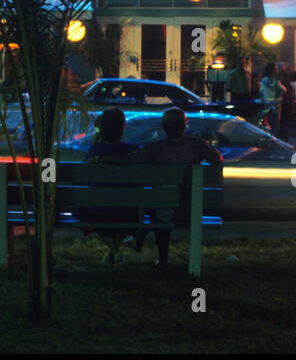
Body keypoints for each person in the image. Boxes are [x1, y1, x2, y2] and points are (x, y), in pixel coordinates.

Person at [122, 107, 223, 269]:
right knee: (166, 204)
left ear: (163, 126)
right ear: (185, 125)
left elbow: (129, 160)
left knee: (157, 204)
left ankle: (159, 256)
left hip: (163, 208)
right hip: (190, 207)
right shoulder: (196, 145)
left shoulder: (155, 148)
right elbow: (217, 159)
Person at [80, 107, 140, 266]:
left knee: (89, 206)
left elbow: (82, 177)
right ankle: (115, 251)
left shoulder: (94, 151)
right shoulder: (132, 151)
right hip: (129, 212)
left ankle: (113, 251)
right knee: (123, 206)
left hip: (97, 212)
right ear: (122, 128)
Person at [258, 63, 286, 136]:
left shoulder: (263, 80)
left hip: (265, 105)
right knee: (274, 125)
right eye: (276, 69)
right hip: (275, 105)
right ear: (272, 70)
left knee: (266, 124)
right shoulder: (275, 81)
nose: (277, 71)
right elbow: (283, 90)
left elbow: (261, 92)